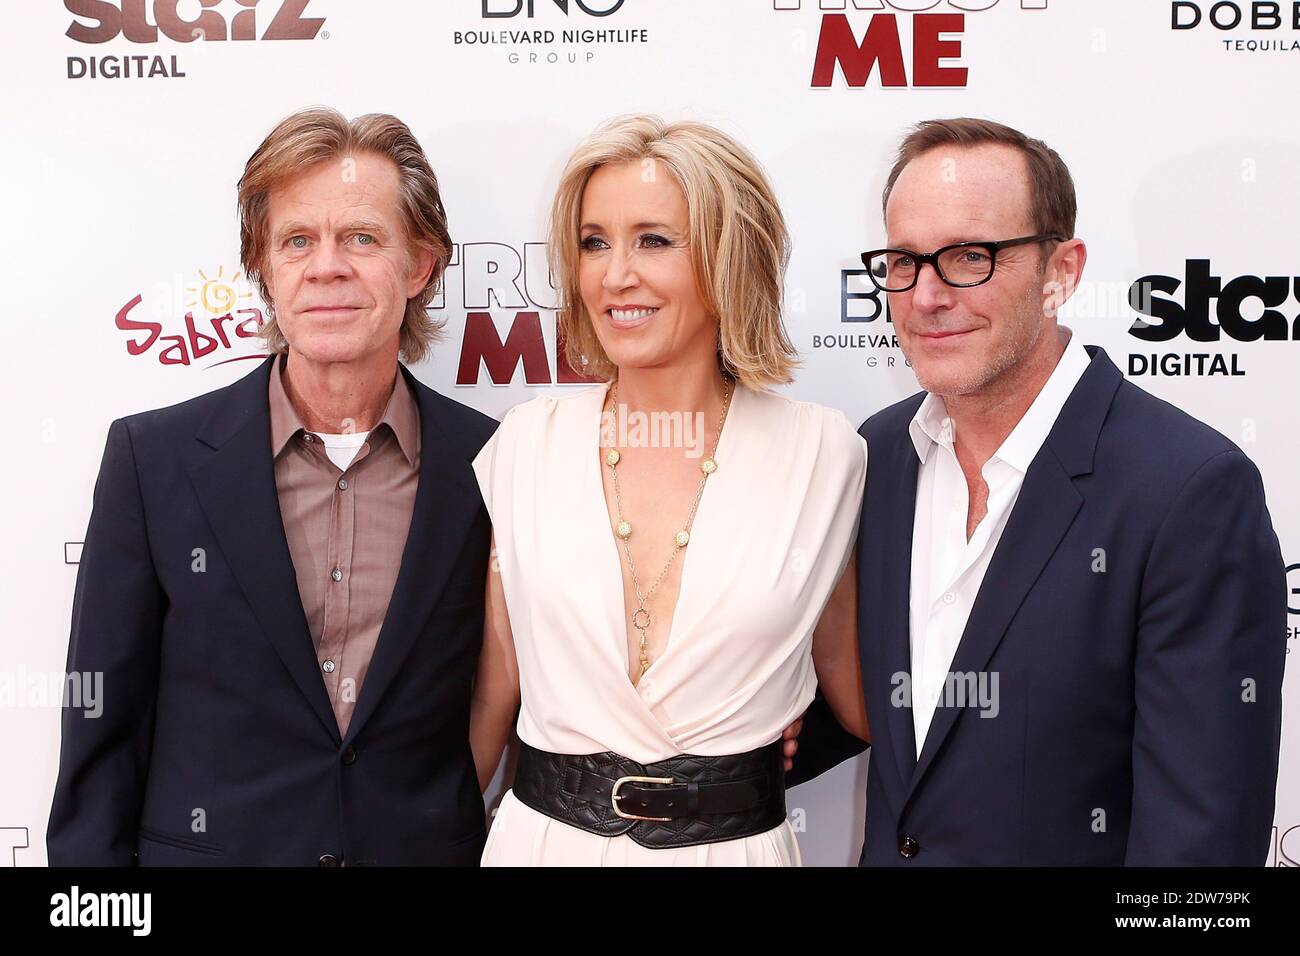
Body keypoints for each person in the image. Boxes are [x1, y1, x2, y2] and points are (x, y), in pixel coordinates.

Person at [788, 117, 1286, 865]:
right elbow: (879, 711)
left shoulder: (1188, 491)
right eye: (903, 261)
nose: (925, 295)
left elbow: (1200, 842)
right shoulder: (876, 456)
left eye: (968, 257)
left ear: (1062, 271)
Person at [47, 107, 497, 866]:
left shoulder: (492, 463)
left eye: (362, 237)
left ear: (420, 265)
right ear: (263, 267)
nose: (327, 267)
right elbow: (102, 737)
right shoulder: (154, 460)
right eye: (297, 241)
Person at [468, 115, 870, 866]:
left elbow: (857, 692)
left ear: (728, 257)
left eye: (654, 240)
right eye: (594, 242)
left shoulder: (822, 454)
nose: (615, 274)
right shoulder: (527, 444)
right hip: (542, 846)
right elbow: (495, 695)